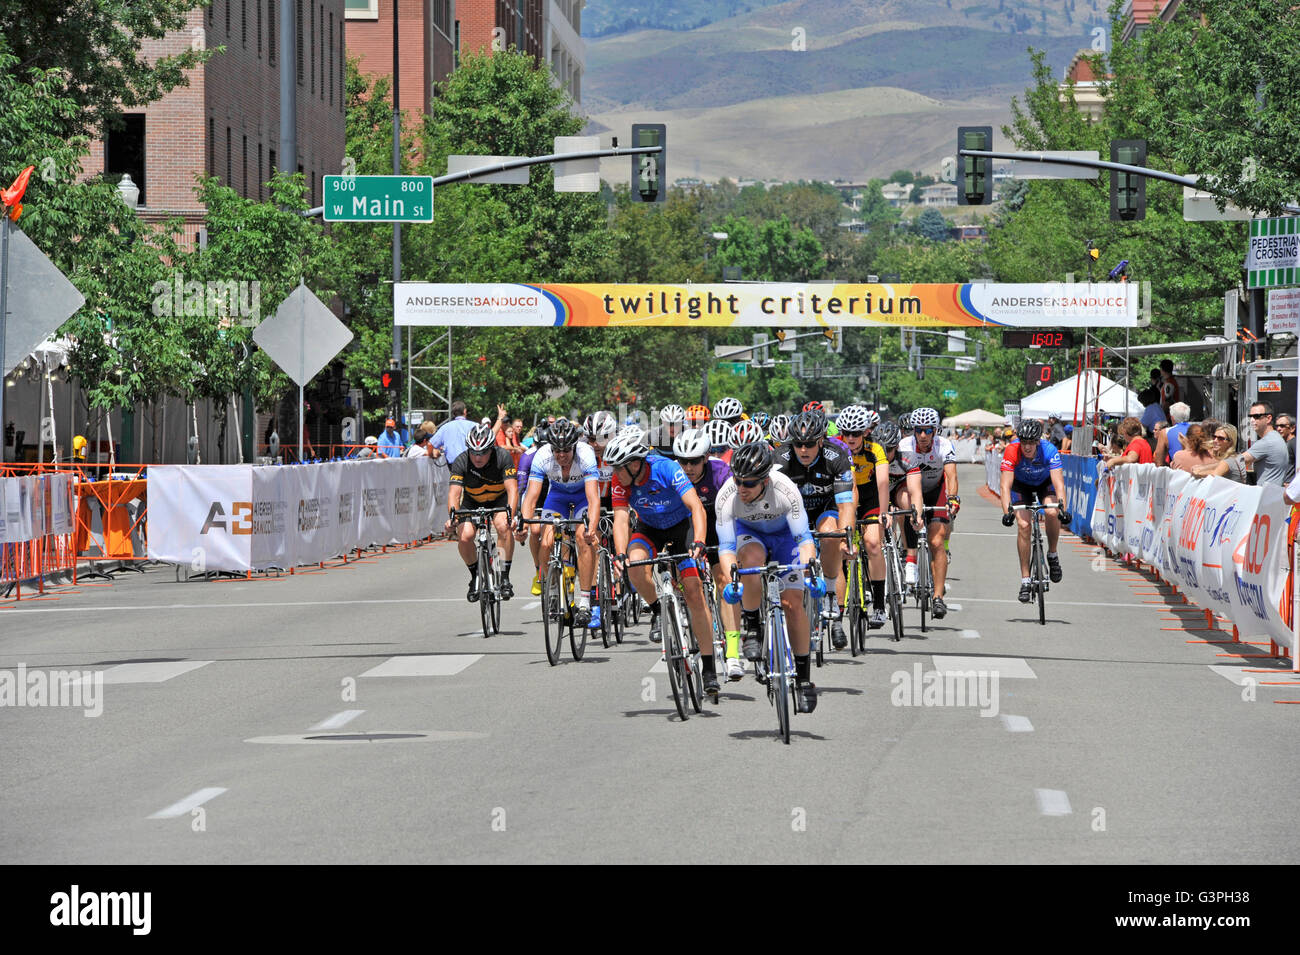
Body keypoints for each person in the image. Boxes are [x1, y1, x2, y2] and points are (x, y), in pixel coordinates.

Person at [715, 440, 824, 715]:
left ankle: (803, 678)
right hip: (751, 535)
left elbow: (803, 538)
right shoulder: (727, 496)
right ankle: (752, 626)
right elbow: (727, 549)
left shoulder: (786, 488)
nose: (742, 488)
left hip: (786, 537)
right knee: (750, 561)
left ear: (765, 480)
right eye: (738, 480)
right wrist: (732, 580)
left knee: (792, 604)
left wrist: (811, 569)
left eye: (749, 483)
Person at [604, 430, 715, 697]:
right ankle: (657, 609)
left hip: (681, 528)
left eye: (618, 468)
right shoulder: (622, 482)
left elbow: (696, 507)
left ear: (634, 464)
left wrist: (699, 542)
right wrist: (620, 554)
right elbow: (620, 519)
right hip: (649, 528)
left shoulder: (665, 468)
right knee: (633, 565)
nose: (615, 474)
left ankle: (710, 668)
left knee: (693, 591)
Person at [775, 410, 857, 649]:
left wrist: (847, 537)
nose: (803, 450)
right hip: (794, 512)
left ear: (821, 440)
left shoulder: (836, 456)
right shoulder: (780, 459)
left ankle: (831, 594)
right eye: (798, 444)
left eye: (809, 444)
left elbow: (845, 503)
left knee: (832, 534)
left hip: (825, 508)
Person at [515, 417, 602, 626]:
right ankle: (552, 588)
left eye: (566, 451)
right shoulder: (542, 456)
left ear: (574, 447)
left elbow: (593, 498)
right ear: (551, 448)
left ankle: (585, 602)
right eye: (557, 451)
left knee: (583, 538)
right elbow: (532, 496)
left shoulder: (586, 455)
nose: (561, 455)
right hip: (558, 497)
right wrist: (524, 525)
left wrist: (592, 527)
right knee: (545, 542)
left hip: (582, 496)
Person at [673, 428, 743, 680]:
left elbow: (733, 512)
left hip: (717, 523)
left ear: (705, 458)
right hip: (685, 525)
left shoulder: (721, 473)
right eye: (683, 461)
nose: (688, 467)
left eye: (694, 461)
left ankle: (733, 653)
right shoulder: (673, 473)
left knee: (724, 580)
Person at [999, 419, 1070, 602]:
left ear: (1038, 441)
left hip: (1044, 483)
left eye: (1031, 442)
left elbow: (1059, 484)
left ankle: (1052, 554)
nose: (1027, 447)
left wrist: (1063, 507)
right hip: (1020, 485)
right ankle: (1025, 580)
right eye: (1024, 442)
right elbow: (1005, 486)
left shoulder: (1049, 450)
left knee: (1052, 513)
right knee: (1023, 525)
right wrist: (1007, 511)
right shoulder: (1012, 450)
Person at [446, 423, 520, 600]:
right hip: (472, 501)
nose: (478, 457)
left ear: (491, 449)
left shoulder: (502, 457)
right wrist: (452, 517)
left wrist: (512, 514)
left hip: (499, 499)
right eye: (474, 452)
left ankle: (504, 576)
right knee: (465, 536)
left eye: (483, 453)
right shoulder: (461, 461)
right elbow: (454, 494)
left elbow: (512, 490)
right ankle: (475, 577)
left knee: (504, 526)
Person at [900, 407, 960, 619]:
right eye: (918, 430)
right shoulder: (905, 445)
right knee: (905, 505)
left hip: (937, 490)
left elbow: (951, 475)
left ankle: (938, 598)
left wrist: (952, 497)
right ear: (913, 430)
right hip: (911, 488)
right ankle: (910, 557)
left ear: (935, 431)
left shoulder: (944, 445)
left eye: (927, 430)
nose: (923, 435)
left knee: (936, 541)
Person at [836, 405, 891, 630]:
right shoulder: (836, 447)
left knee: (873, 544)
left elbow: (883, 483)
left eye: (856, 433)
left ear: (865, 432)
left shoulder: (875, 449)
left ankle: (878, 604)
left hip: (869, 497)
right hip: (843, 495)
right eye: (846, 433)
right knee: (837, 545)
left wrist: (885, 512)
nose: (850, 438)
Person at [1199, 401, 1289, 486]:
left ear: (1268, 418)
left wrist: (1202, 470)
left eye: (1257, 416)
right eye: (1251, 416)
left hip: (1266, 497)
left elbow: (1235, 462)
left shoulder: (1268, 441)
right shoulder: (1274, 438)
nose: (1252, 420)